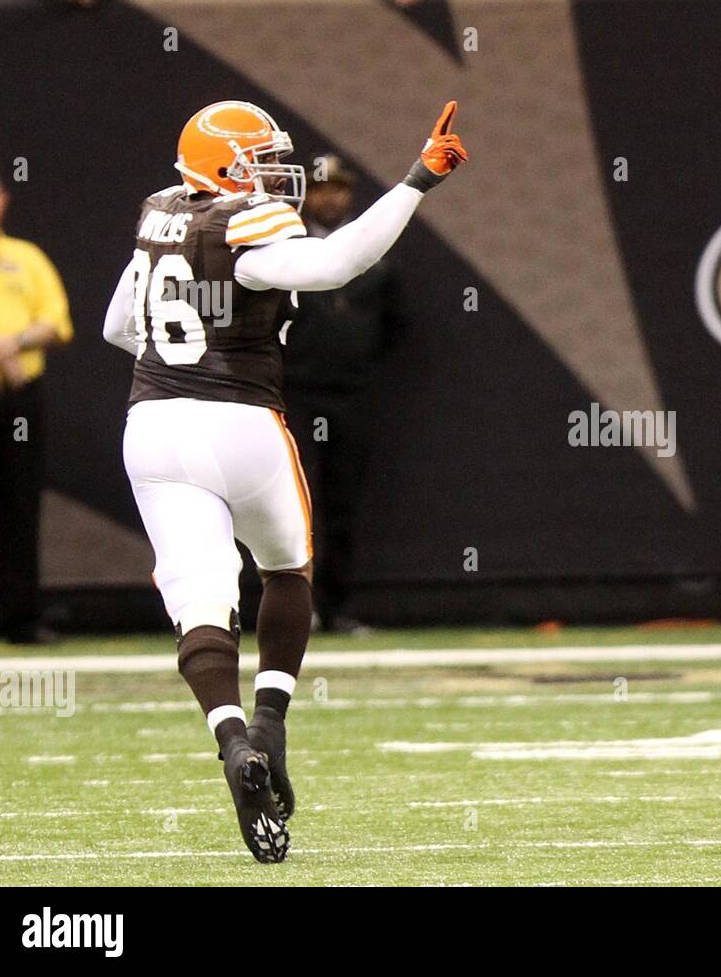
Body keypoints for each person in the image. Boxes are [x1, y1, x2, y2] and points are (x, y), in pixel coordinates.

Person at [102, 99, 467, 862]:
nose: (276, 175)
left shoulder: (161, 212)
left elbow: (116, 328)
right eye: (261, 161)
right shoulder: (245, 225)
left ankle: (233, 741)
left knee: (200, 599)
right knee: (286, 565)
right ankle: (270, 719)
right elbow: (334, 264)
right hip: (241, 421)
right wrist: (415, 182)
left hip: (154, 424)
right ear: (226, 167)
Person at [283, 155, 408, 635]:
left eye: (338, 189)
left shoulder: (373, 252)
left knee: (343, 501)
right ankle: (296, 609)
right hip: (296, 392)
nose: (329, 198)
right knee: (293, 503)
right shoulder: (286, 249)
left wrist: (361, 364)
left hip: (351, 394)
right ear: (305, 196)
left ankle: (336, 606)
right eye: (320, 189)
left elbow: (395, 325)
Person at [0, 159, 73, 644]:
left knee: (20, 506)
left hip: (18, 398)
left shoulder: (26, 257)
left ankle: (22, 620)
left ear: (3, 203)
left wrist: (16, 343)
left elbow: (55, 321)